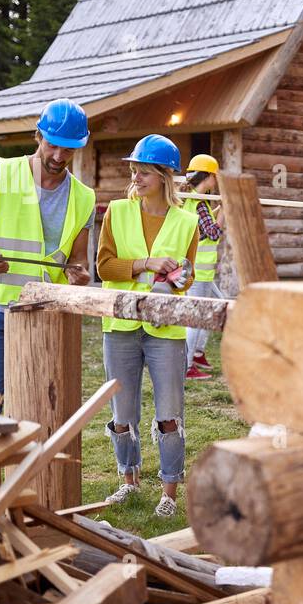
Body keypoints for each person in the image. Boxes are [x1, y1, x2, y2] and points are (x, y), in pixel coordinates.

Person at [0, 98, 94, 396]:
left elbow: (79, 259)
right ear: (38, 137)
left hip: (45, 311)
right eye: (52, 145)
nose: (59, 156)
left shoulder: (84, 198)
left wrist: (80, 274)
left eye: (68, 149)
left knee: (37, 399)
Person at [95, 134, 199, 519]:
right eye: (134, 170)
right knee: (122, 412)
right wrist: (145, 264)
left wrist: (172, 276)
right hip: (120, 323)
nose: (135, 177)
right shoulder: (117, 212)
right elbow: (104, 266)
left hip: (165, 330)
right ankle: (129, 480)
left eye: (144, 172)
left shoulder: (188, 222)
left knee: (169, 413)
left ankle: (169, 491)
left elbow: (187, 276)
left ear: (164, 176)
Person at [180, 154, 224, 381]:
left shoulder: (192, 200)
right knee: (196, 319)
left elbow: (203, 225)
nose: (216, 181)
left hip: (196, 270)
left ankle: (196, 355)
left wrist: (216, 210)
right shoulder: (199, 203)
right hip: (200, 272)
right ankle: (186, 366)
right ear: (207, 176)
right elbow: (213, 232)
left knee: (216, 306)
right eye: (214, 176)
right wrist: (225, 209)